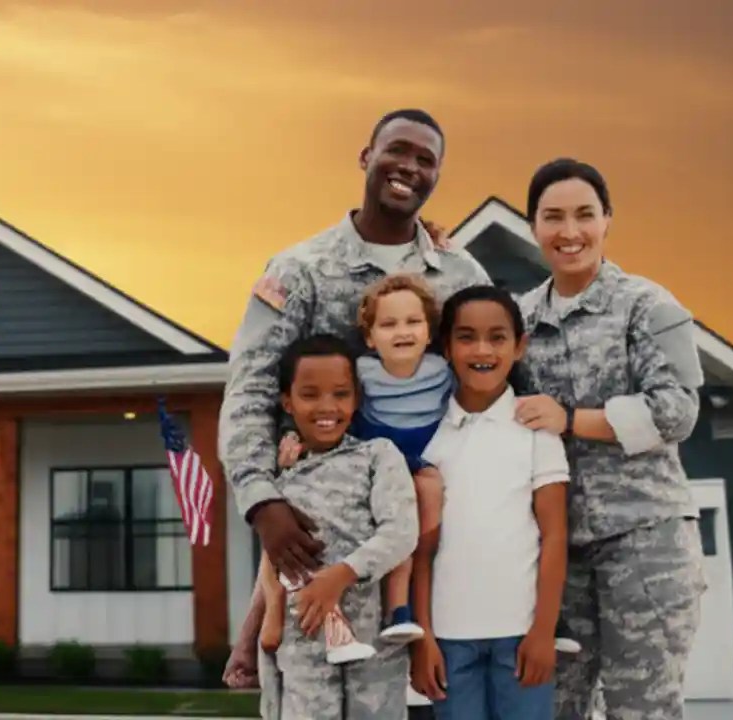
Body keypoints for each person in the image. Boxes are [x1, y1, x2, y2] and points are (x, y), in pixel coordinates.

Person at [218, 108, 490, 716]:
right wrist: (263, 503)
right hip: (316, 535)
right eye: (398, 151)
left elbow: (493, 369)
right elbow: (250, 390)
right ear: (366, 157)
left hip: (431, 527)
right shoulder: (299, 269)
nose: (410, 168)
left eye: (427, 160)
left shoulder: (458, 272)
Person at [511, 158, 707, 718]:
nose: (569, 232)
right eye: (553, 217)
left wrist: (571, 419)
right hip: (556, 554)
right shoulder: (519, 319)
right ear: (533, 227)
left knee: (642, 706)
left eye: (584, 215)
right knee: (550, 706)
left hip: (646, 543)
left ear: (607, 221)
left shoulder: (648, 307)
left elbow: (676, 412)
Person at [407, 285, 571, 719]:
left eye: (497, 337)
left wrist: (543, 631)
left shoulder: (536, 429)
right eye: (466, 337)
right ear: (445, 347)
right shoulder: (429, 437)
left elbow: (554, 536)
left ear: (519, 347)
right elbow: (421, 550)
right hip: (449, 640)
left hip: (521, 637)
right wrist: (424, 636)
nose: (482, 350)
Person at [268, 273, 449, 652]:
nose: (402, 331)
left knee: (423, 495)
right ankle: (266, 616)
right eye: (388, 324)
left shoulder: (443, 371)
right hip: (374, 462)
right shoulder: (361, 372)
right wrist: (292, 433)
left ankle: (404, 608)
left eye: (413, 322)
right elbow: (323, 397)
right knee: (282, 520)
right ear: (369, 338)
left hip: (418, 461)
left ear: (430, 331)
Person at [265, 333, 419, 719]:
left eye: (340, 393)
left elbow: (401, 532)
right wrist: (263, 624)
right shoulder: (277, 477)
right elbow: (272, 559)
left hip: (374, 641)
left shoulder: (376, 456)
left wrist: (342, 574)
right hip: (304, 639)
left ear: (356, 398)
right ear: (288, 401)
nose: (327, 407)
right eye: (310, 394)